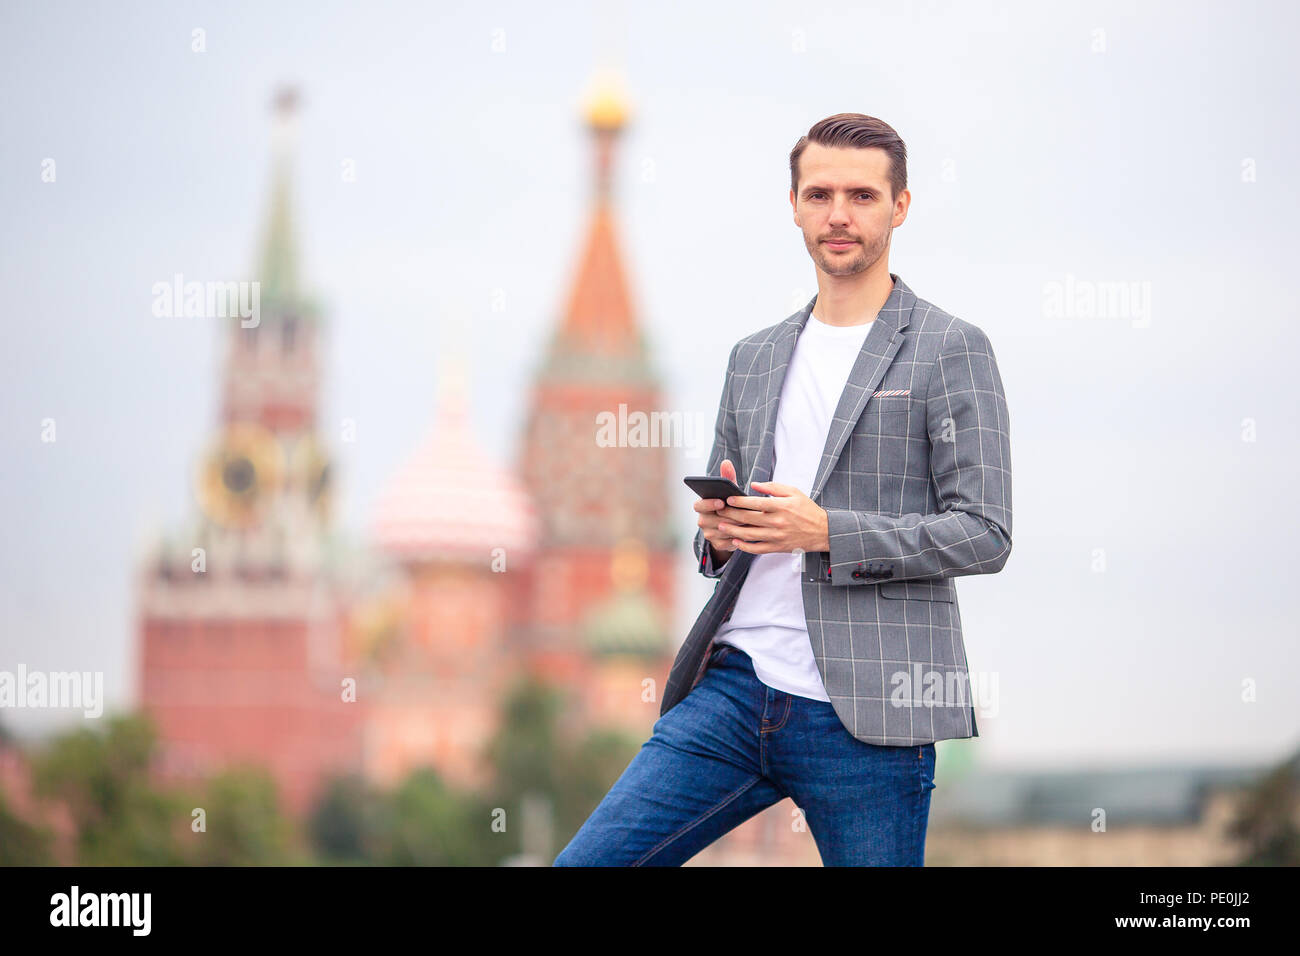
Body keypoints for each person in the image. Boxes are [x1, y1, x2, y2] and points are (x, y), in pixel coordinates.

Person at [554, 113, 1012, 866]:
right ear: (794, 203)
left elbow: (986, 530)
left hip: (872, 710)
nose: (839, 214)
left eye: (862, 196)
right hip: (734, 691)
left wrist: (825, 531)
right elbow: (719, 538)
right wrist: (719, 532)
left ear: (900, 207)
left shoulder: (950, 349)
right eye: (820, 193)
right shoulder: (755, 357)